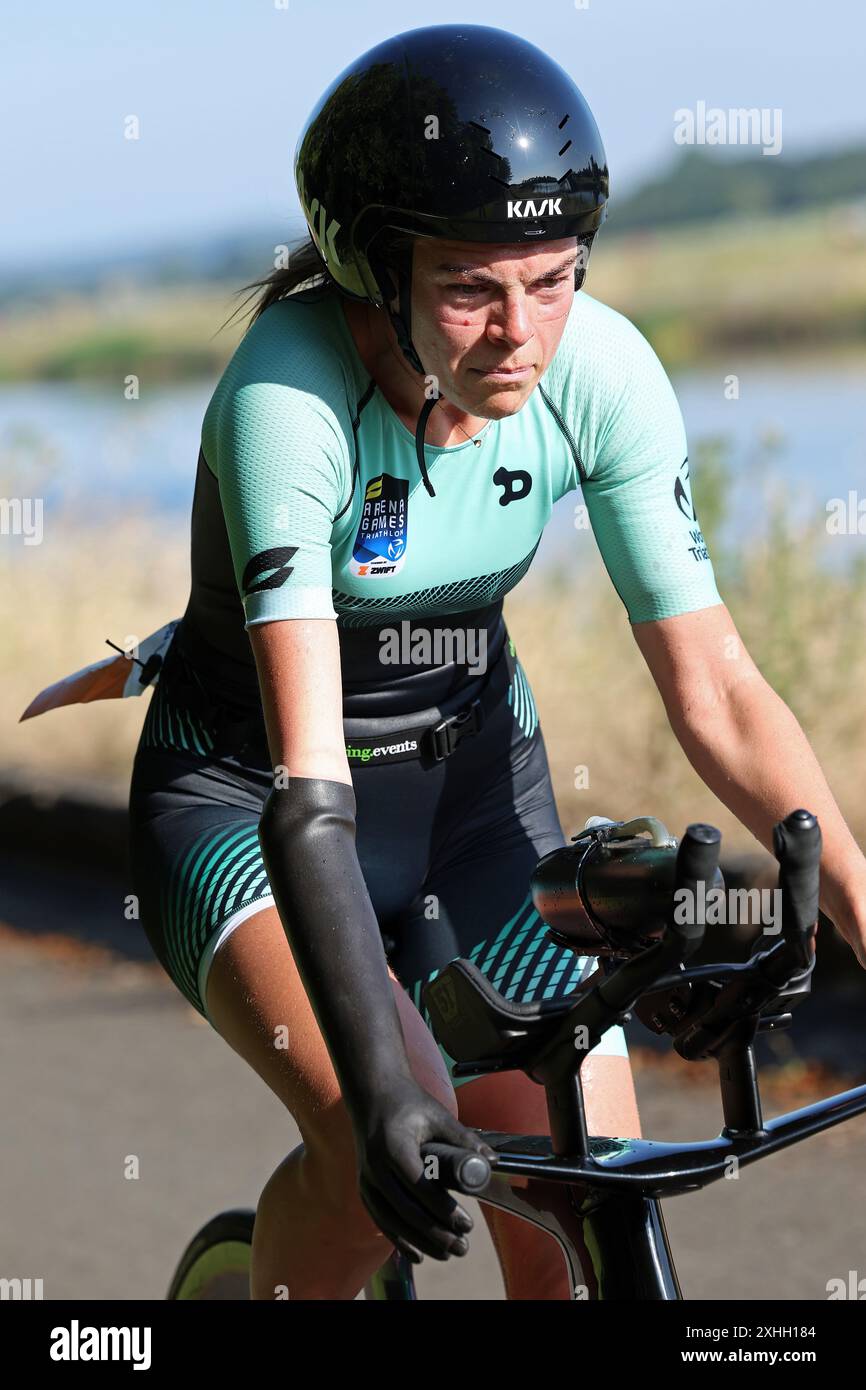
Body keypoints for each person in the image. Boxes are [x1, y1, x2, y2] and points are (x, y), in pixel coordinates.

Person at [117, 22, 866, 1301]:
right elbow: (308, 791)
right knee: (381, 1144)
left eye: (553, 278)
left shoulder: (599, 367)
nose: (520, 332)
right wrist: (385, 1087)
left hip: (469, 794)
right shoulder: (283, 403)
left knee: (577, 1165)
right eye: (470, 287)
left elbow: (718, 687)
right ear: (375, 271)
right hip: (252, 805)